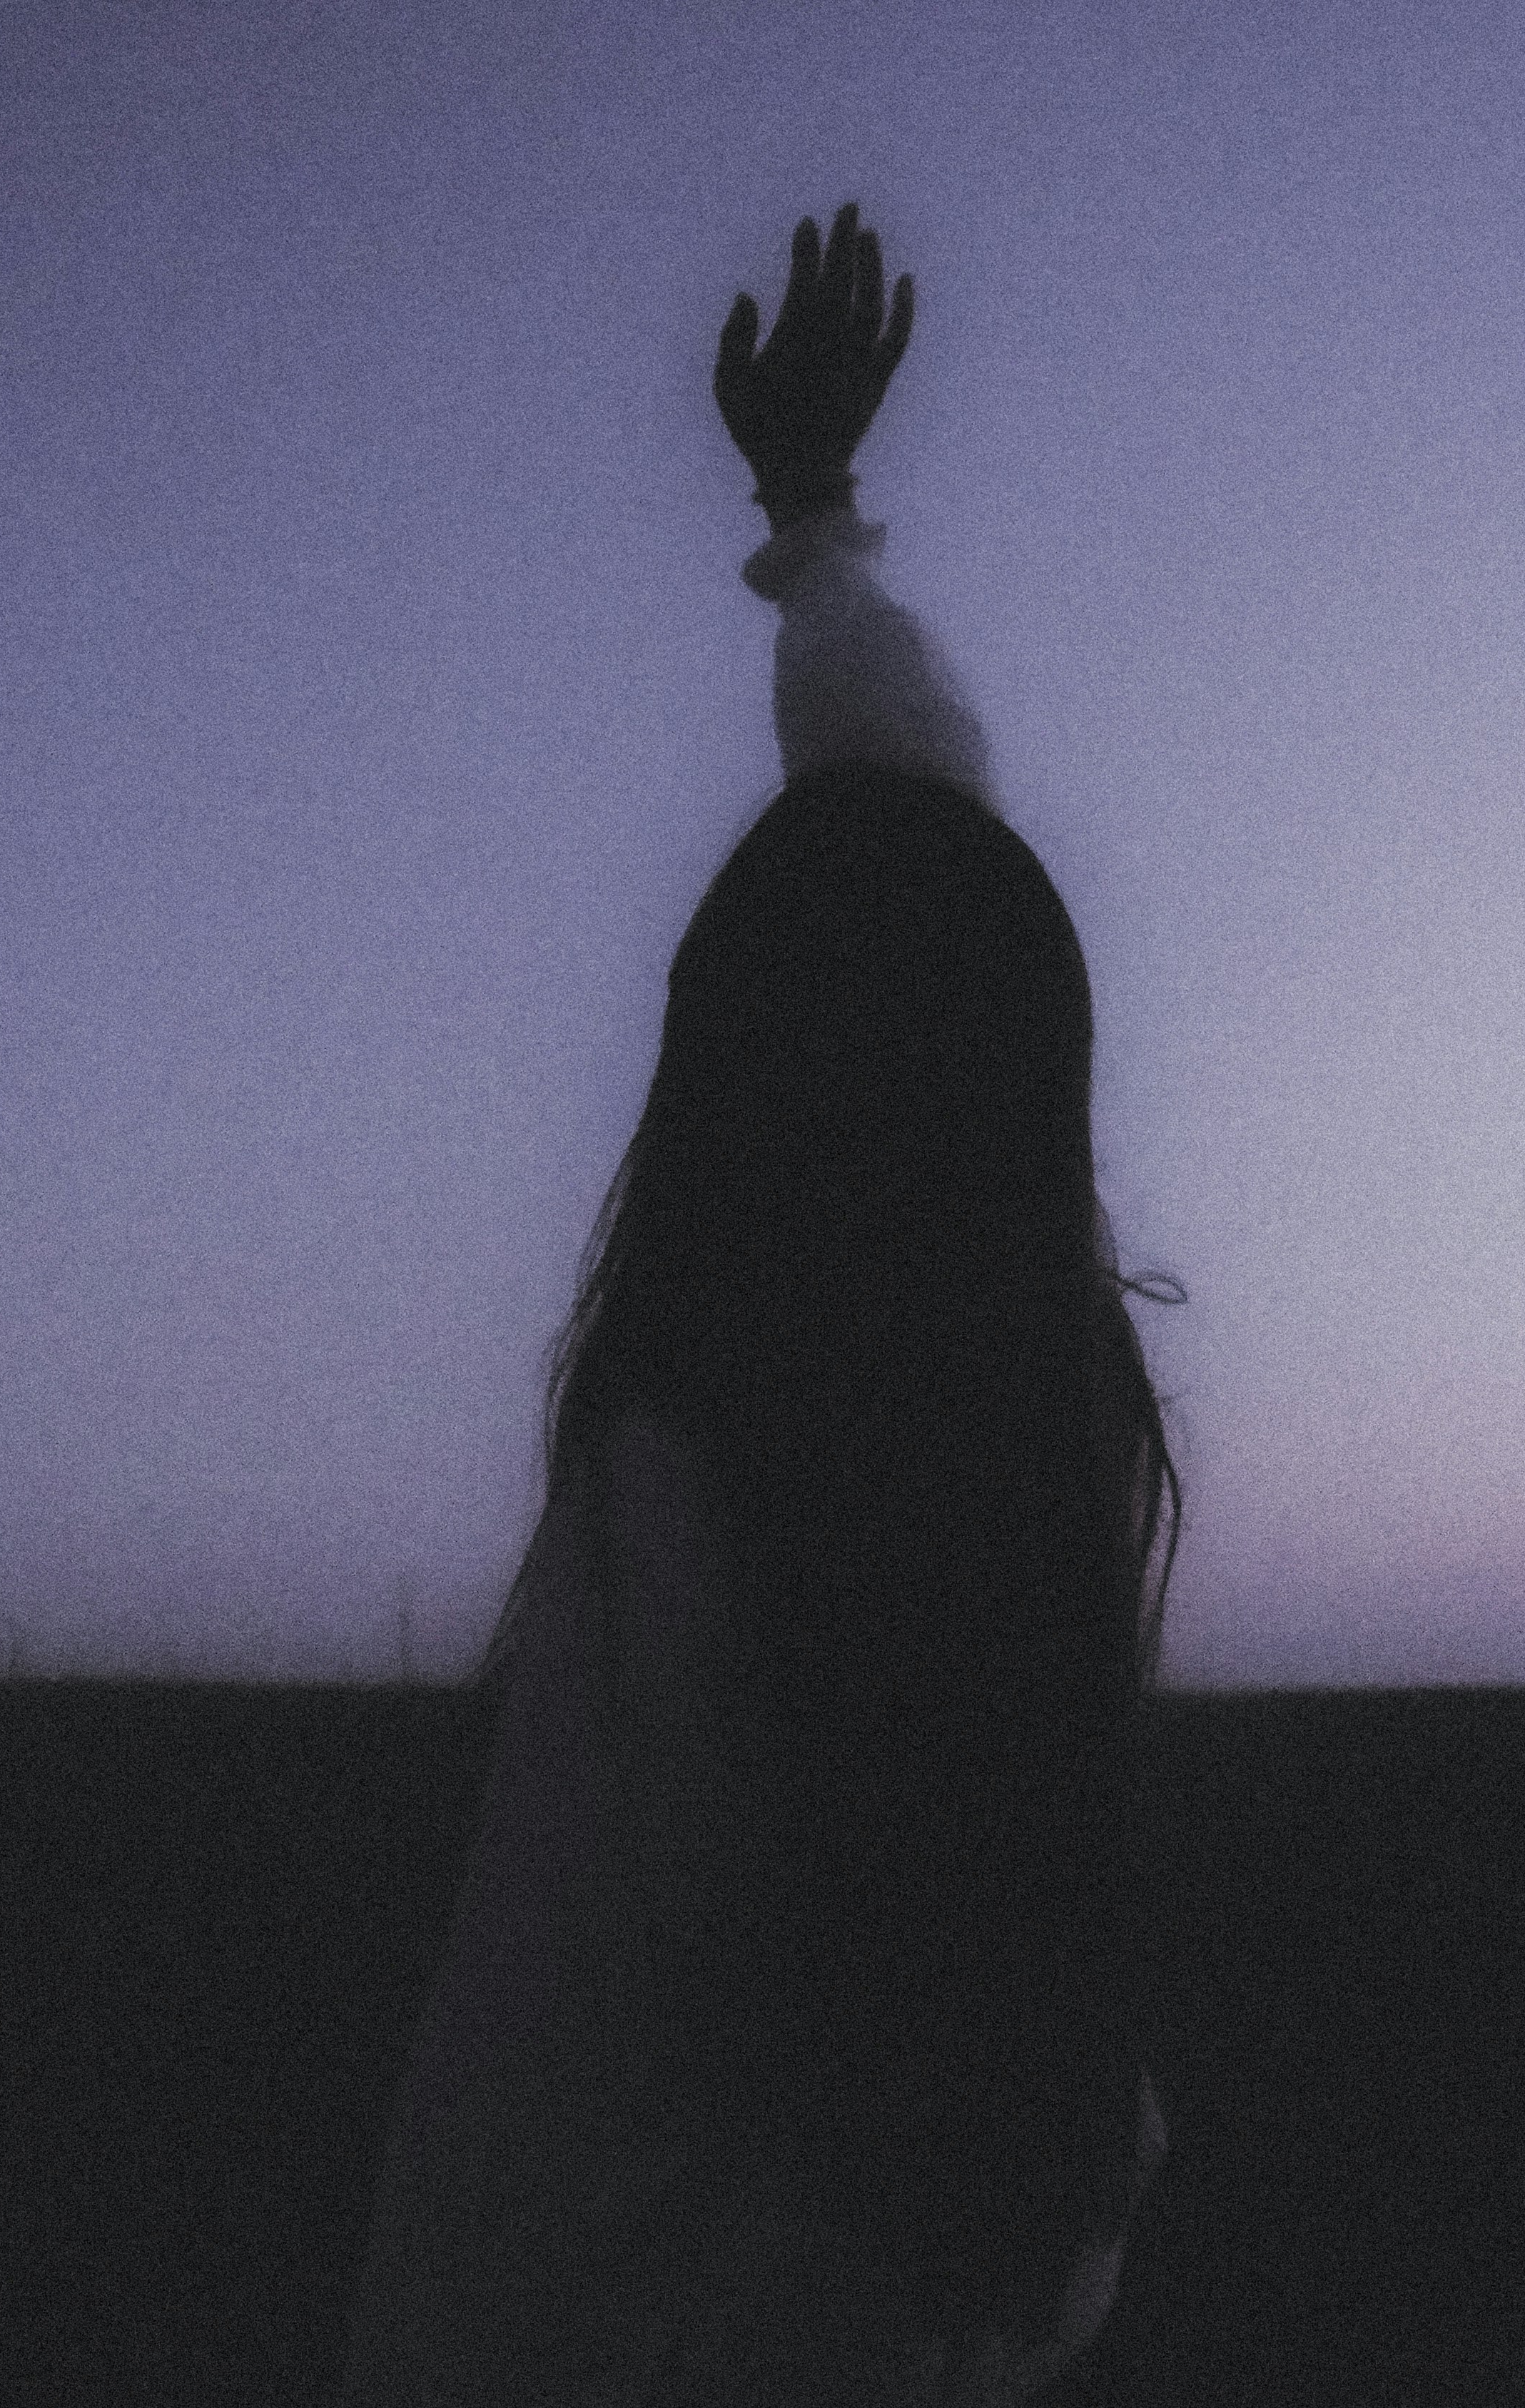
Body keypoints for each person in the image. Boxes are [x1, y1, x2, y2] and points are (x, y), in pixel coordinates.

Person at [330, 205, 1180, 2408]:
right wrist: (814, 538)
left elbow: (514, 2217)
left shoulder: (690, 1527)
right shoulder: (1009, 1491)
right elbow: (919, 906)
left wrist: (814, 533)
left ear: (734, 1105)